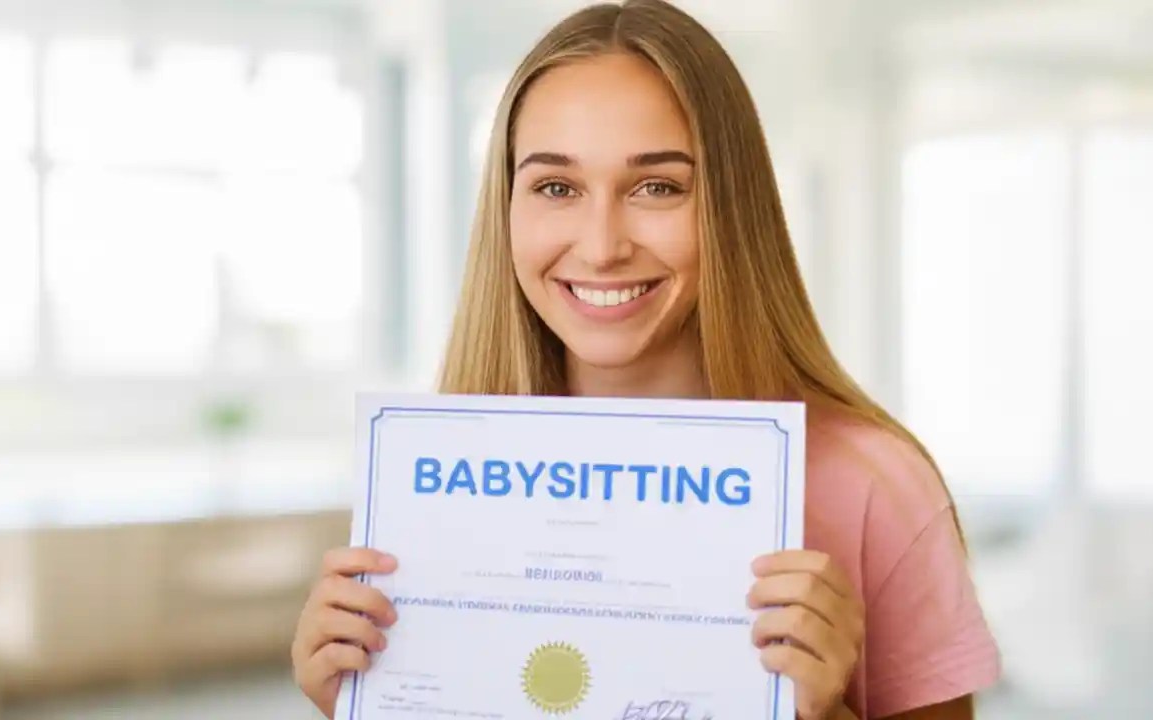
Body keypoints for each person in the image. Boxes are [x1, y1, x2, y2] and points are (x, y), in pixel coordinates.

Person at [291, 1, 1001, 718]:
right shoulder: (435, 492)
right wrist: (357, 701)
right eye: (557, 187)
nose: (602, 247)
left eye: (657, 187)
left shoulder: (874, 486)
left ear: (730, 207)